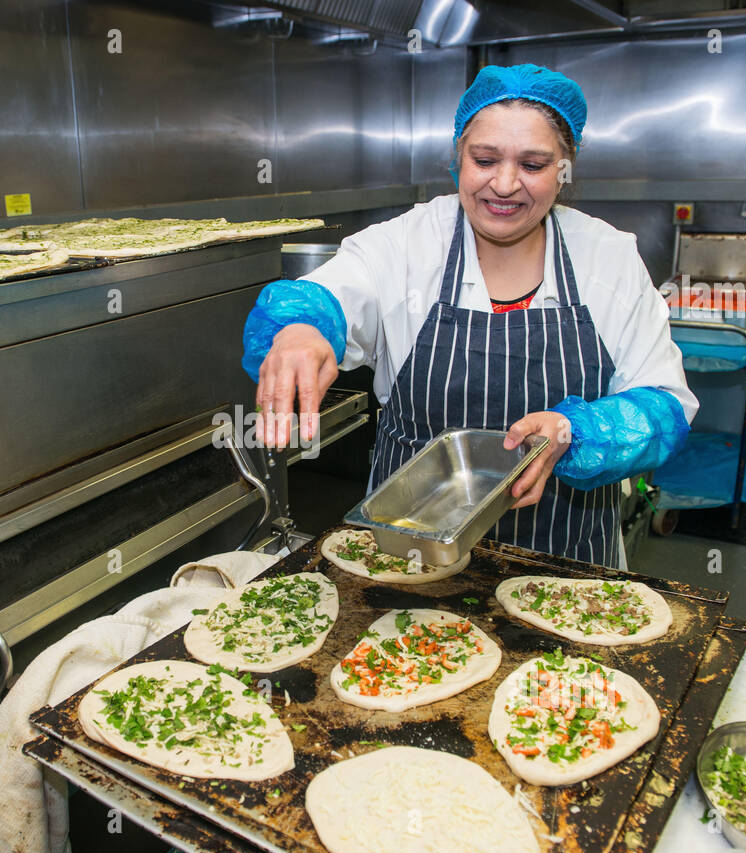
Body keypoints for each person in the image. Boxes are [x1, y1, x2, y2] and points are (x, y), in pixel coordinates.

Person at [242, 64, 696, 569]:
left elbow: (665, 408)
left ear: (565, 168)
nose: (504, 185)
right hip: (407, 558)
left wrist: (577, 431)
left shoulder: (607, 258)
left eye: (533, 164)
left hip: (563, 563)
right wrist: (304, 327)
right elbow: (325, 295)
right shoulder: (407, 244)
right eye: (484, 159)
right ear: (458, 154)